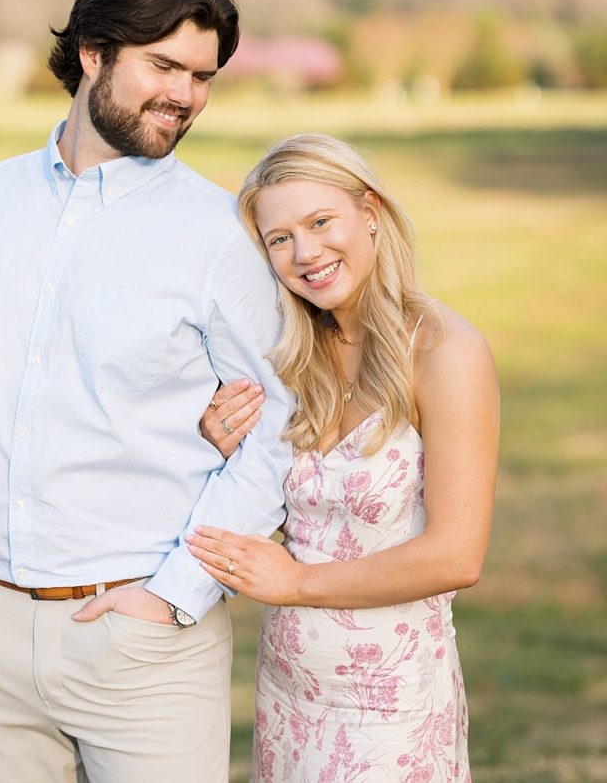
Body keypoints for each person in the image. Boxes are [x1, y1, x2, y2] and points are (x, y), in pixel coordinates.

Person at [0, 0, 296, 781]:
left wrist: (174, 593)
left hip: (146, 642)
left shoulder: (220, 235)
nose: (186, 95)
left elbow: (277, 430)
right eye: (164, 65)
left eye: (203, 76)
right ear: (92, 53)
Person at [187, 134, 499, 781]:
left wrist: (295, 584)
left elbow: (457, 556)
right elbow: (291, 519)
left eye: (320, 222)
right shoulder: (293, 357)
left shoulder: (445, 353)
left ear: (372, 213)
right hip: (287, 697)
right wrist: (222, 450)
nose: (305, 253)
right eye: (279, 239)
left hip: (392, 712)